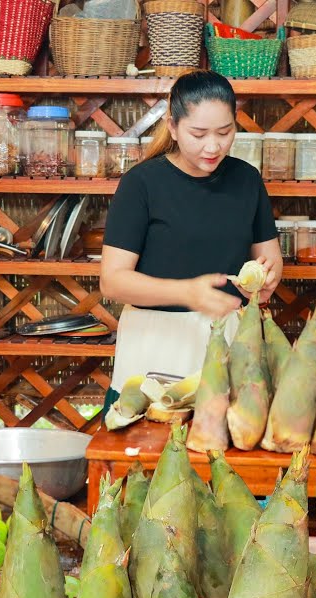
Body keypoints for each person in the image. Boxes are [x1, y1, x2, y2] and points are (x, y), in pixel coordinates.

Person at [100, 70, 282, 410]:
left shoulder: (247, 180)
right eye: (198, 134)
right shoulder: (142, 184)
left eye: (224, 132)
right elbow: (112, 282)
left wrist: (267, 278)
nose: (213, 146)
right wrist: (188, 293)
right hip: (153, 347)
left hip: (230, 343)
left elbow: (269, 258)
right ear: (173, 127)